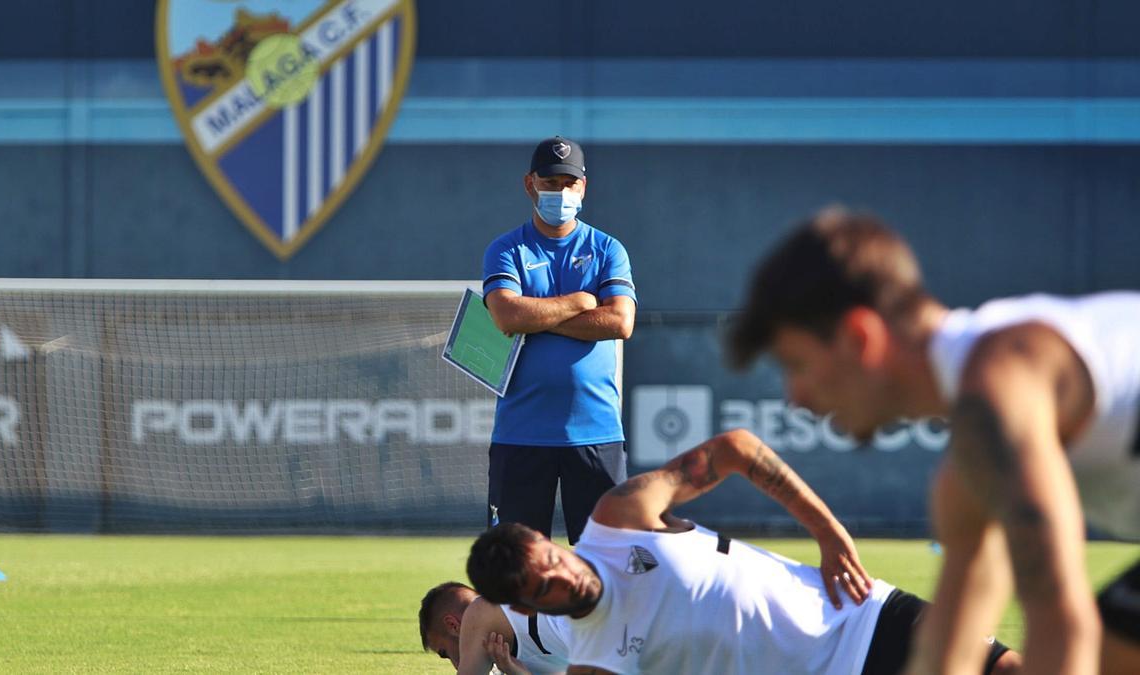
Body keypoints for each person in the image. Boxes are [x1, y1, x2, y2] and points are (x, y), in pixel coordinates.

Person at [727, 207, 1140, 674]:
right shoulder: (971, 461)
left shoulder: (998, 390)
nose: (794, 400)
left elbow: (1060, 627)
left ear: (858, 337)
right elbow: (951, 647)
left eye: (797, 365)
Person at [465, 429, 1019, 675]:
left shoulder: (620, 517)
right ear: (528, 610)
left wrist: (827, 533)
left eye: (553, 561)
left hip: (857, 617)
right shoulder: (593, 662)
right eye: (545, 589)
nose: (565, 578)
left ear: (546, 542)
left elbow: (736, 449)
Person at [481, 135, 637, 544]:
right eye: (550, 183)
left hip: (596, 432)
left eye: (569, 184)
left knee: (605, 567)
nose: (560, 192)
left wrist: (536, 316)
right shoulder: (506, 249)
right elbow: (506, 314)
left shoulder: (607, 249)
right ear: (530, 184)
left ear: (583, 187)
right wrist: (578, 302)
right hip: (520, 433)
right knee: (516, 568)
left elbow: (620, 321)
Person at [419, 580, 570, 674]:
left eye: (444, 653)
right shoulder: (516, 660)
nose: (456, 666)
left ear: (453, 625)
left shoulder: (479, 613)